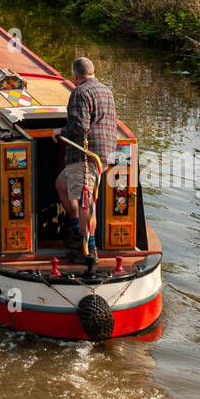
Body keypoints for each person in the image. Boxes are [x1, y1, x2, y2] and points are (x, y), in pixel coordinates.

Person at [52, 57, 118, 267]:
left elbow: (80, 125)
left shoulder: (80, 92)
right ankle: (75, 231)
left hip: (85, 156)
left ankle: (87, 250)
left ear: (75, 75)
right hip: (104, 154)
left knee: (86, 204)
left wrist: (60, 132)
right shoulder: (106, 91)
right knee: (62, 185)